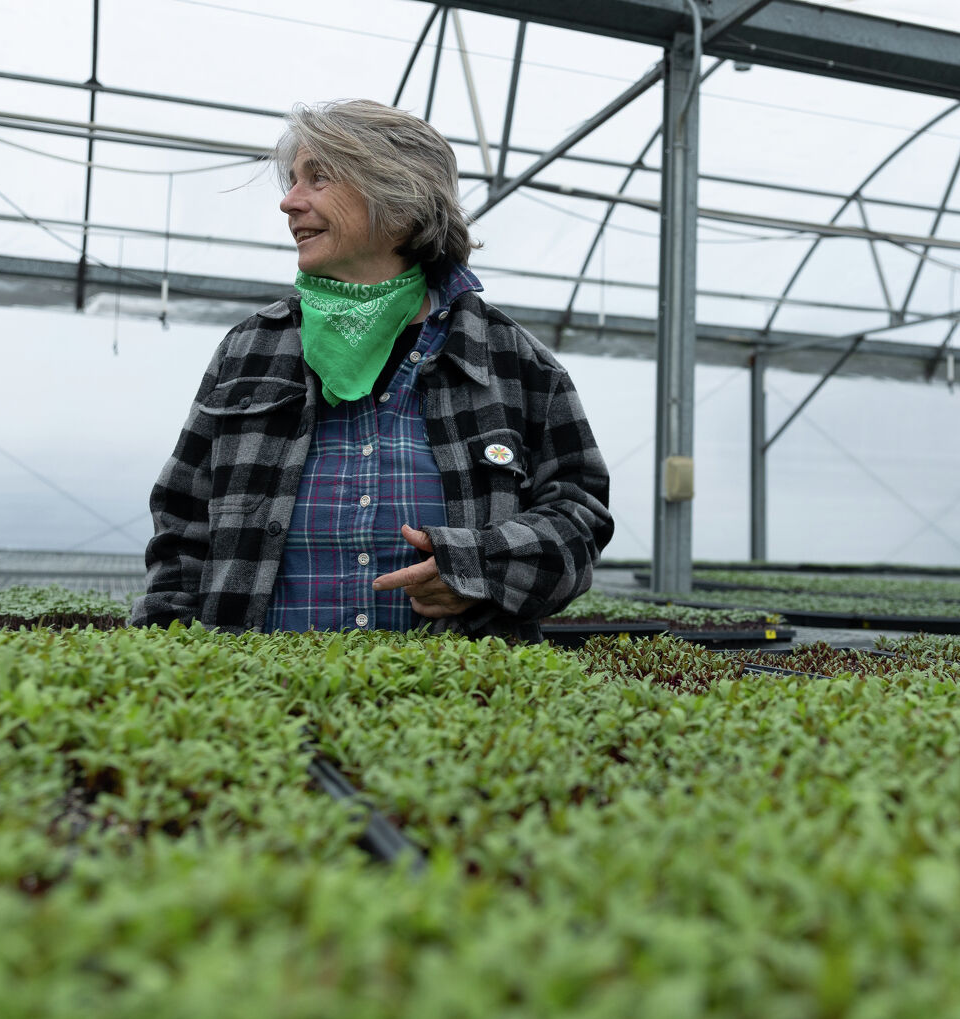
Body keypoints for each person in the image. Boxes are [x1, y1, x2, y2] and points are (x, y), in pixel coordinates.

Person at [132, 99, 613, 638]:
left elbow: (579, 518)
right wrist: (167, 653)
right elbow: (181, 520)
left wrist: (480, 567)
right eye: (293, 181)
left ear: (399, 199)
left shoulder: (514, 364)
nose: (289, 202)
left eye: (319, 178)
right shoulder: (252, 349)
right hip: (257, 706)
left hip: (455, 709)